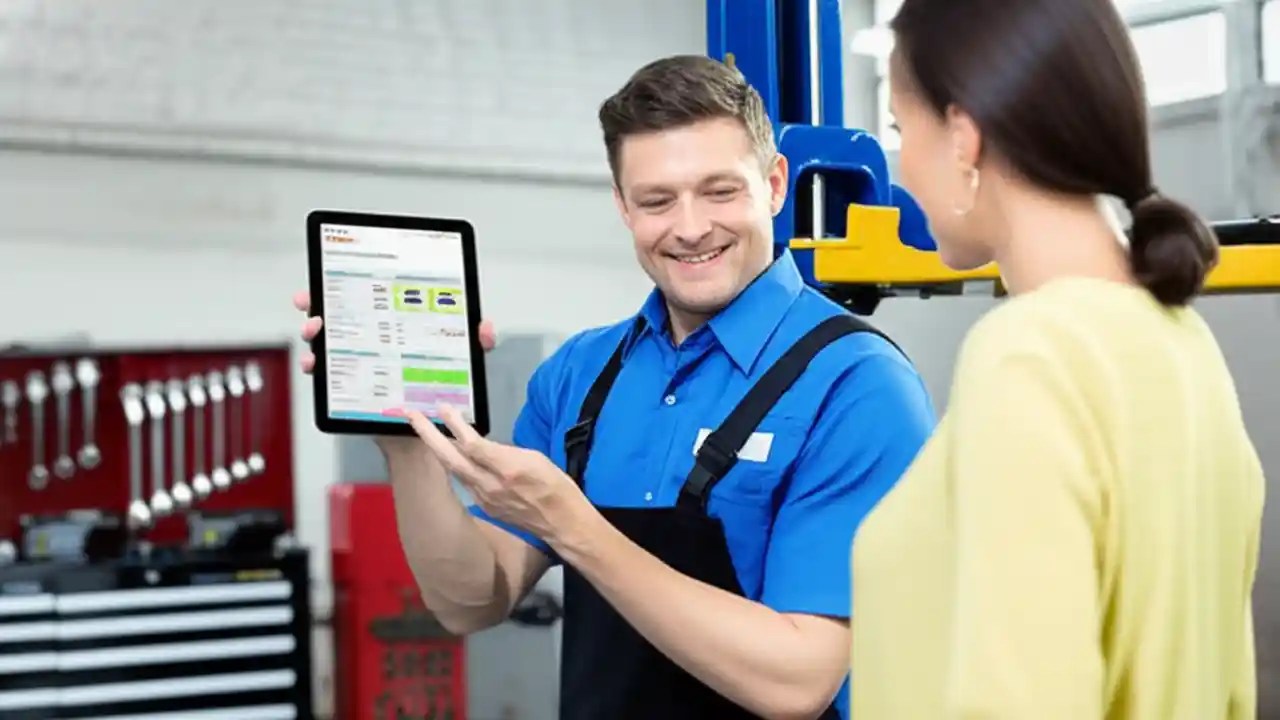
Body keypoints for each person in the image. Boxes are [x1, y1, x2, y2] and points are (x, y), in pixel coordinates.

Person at [297, 55, 935, 719]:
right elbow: (469, 600)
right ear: (623, 207)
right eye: (657, 200)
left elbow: (798, 682)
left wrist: (574, 527)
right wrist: (406, 444)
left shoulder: (857, 384)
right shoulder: (579, 376)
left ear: (774, 185)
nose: (690, 228)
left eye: (720, 191)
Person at [847, 1, 1266, 718]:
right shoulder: (1185, 347)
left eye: (898, 129)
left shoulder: (1028, 356)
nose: (901, 167)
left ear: (961, 137)